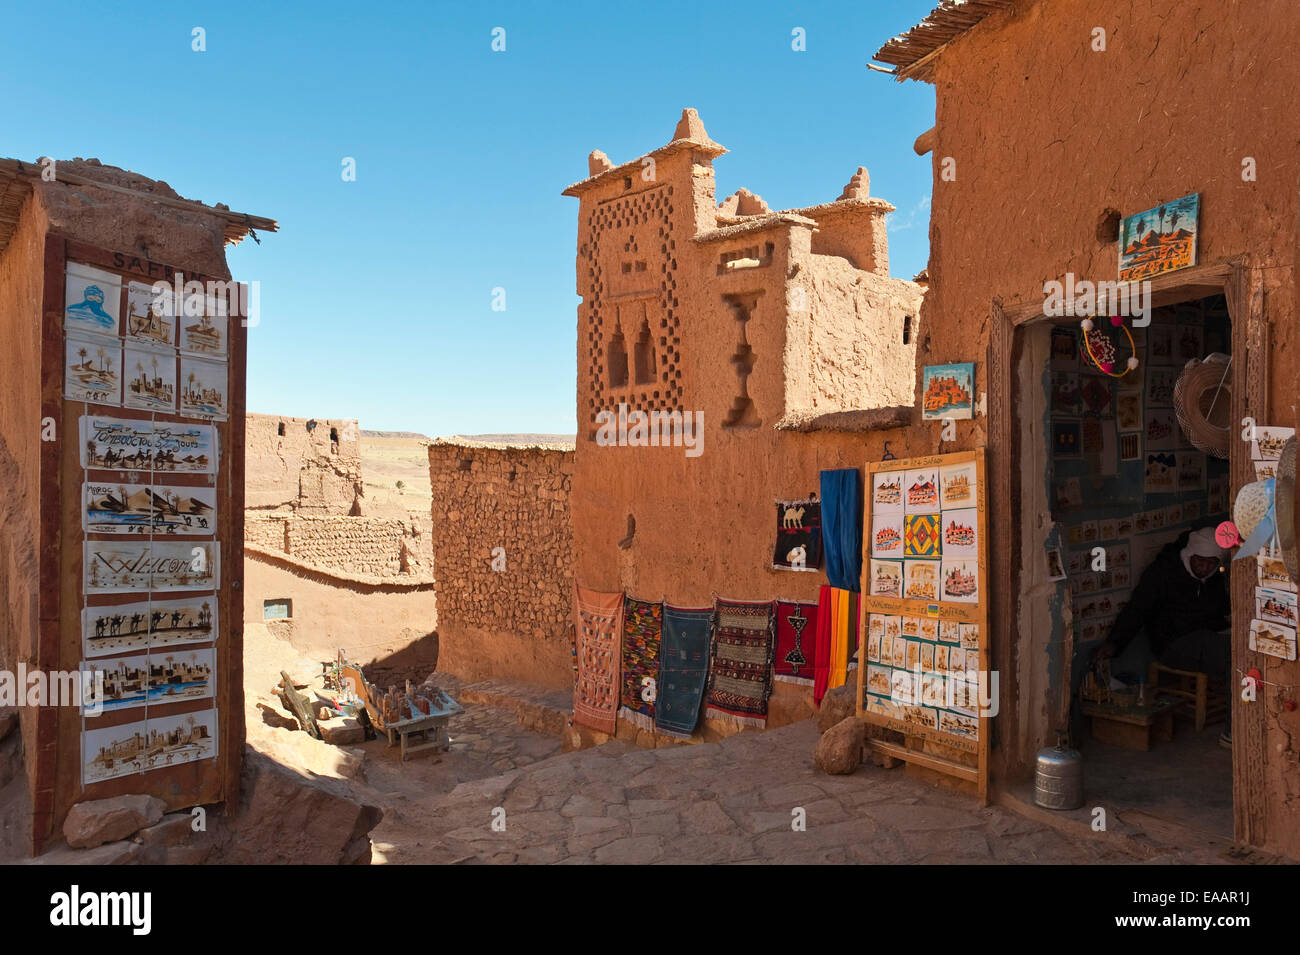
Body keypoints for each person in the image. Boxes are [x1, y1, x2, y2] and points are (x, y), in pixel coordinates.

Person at [1094, 526, 1232, 747]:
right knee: (1232, 656)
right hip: (1172, 643)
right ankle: (1232, 732)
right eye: (1200, 561)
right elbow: (1137, 609)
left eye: (1211, 564)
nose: (1205, 568)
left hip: (1203, 635)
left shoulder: (1212, 576)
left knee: (1241, 648)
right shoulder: (1163, 572)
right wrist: (1114, 643)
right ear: (1190, 555)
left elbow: (1216, 609)